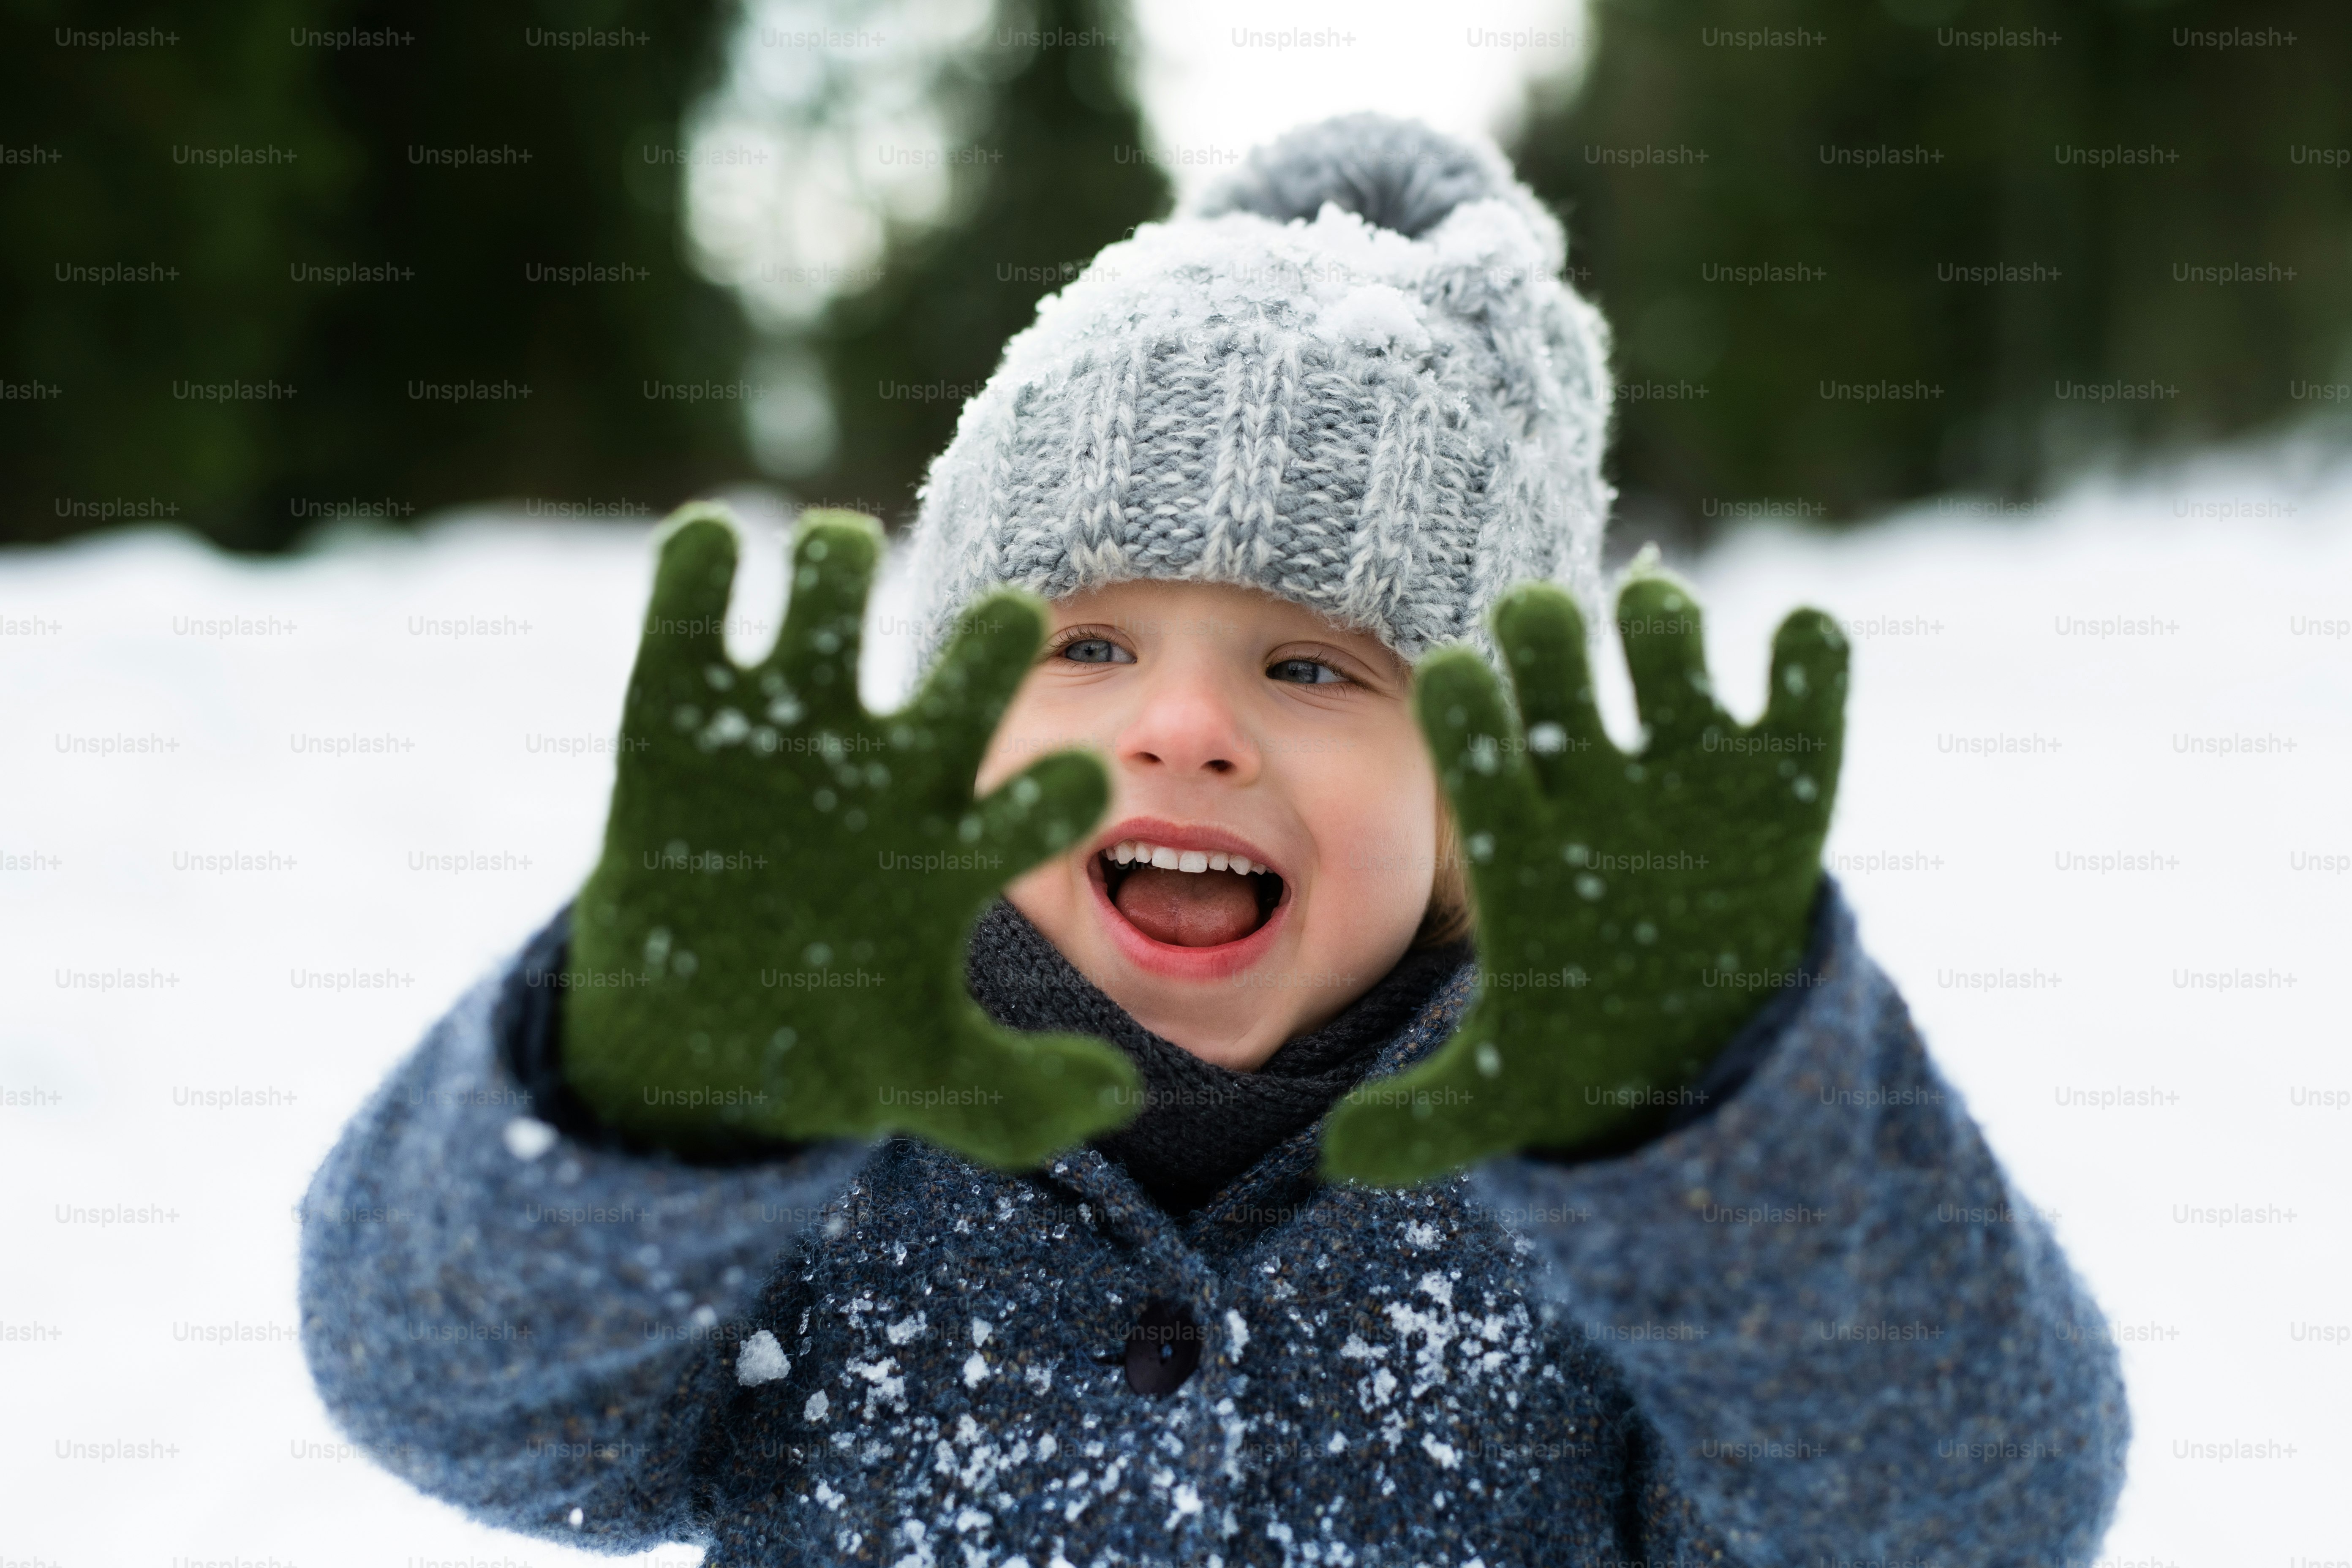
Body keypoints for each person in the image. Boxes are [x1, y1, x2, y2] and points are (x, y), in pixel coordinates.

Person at [299, 114, 2128, 1567]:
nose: (1182, 724)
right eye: (1086, 645)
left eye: (1315, 663)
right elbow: (450, 1393)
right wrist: (654, 1092)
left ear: (1477, 781)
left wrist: (1724, 1126)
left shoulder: (1598, 1170)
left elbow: (1967, 1517)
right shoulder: (829, 1107)